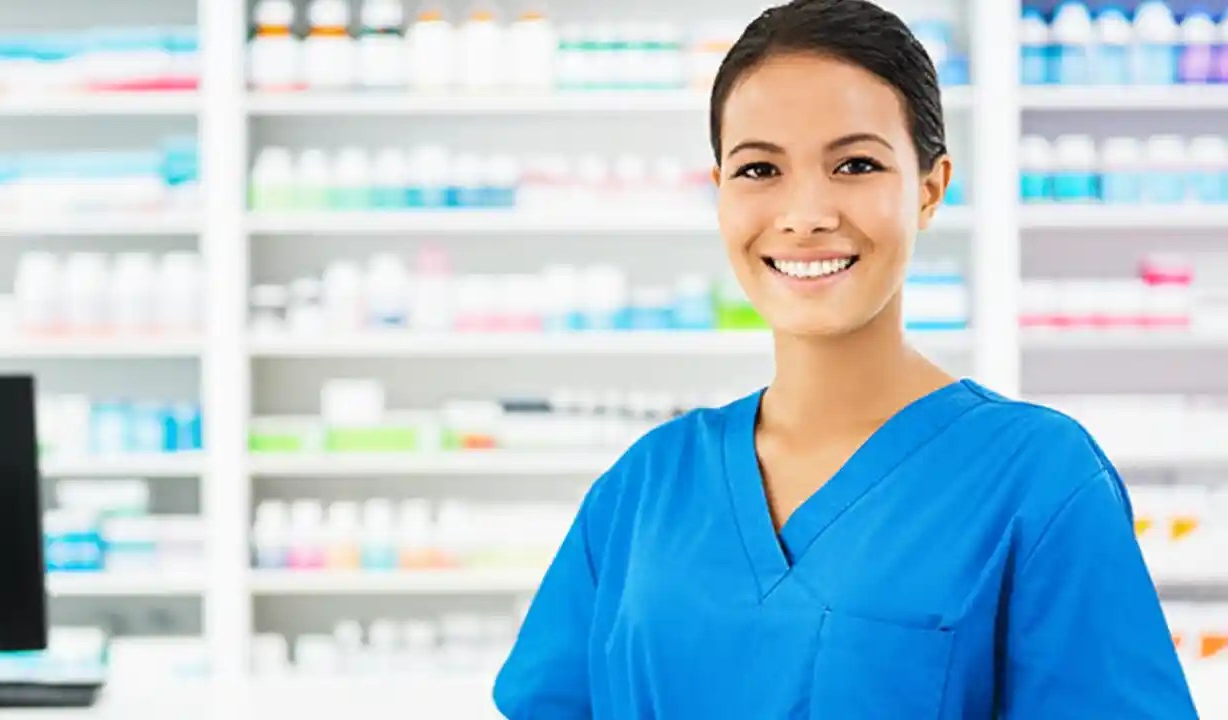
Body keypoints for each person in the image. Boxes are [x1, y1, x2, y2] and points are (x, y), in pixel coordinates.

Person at [493, 0, 1198, 717]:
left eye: (855, 164)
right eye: (760, 169)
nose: (805, 214)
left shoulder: (1038, 479)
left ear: (929, 189)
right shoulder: (646, 486)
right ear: (719, 194)